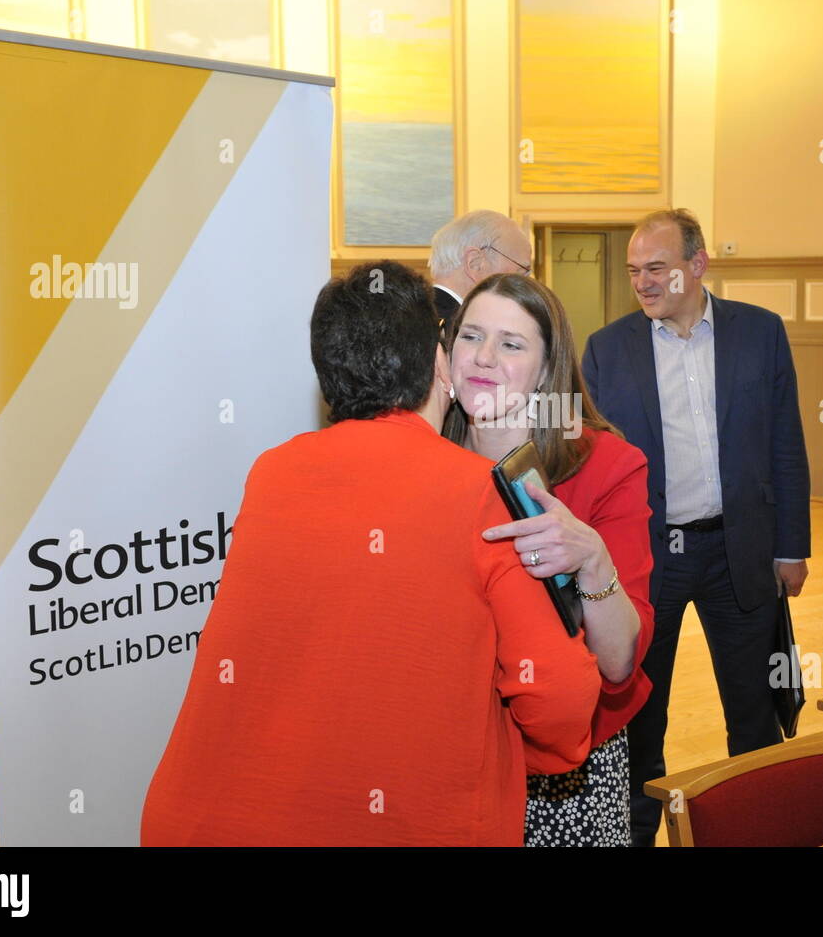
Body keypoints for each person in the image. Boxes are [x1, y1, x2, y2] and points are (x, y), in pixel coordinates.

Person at [140, 261, 600, 847]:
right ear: (437, 363)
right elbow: (558, 699)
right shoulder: (481, 491)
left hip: (206, 816)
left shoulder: (273, 472)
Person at [581, 208, 811, 848]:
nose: (643, 283)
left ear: (698, 264)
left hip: (741, 554)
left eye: (656, 268)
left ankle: (758, 830)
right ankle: (634, 838)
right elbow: (593, 467)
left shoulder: (760, 334)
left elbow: (785, 445)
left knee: (755, 712)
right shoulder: (607, 349)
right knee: (639, 720)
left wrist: (792, 545)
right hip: (649, 561)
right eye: (634, 272)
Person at [443, 272, 655, 847]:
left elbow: (618, 663)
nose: (483, 358)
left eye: (511, 344)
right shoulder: (424, 458)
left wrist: (594, 561)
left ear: (546, 370)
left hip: (564, 770)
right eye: (470, 337)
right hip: (449, 752)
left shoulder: (608, 466)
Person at [428, 210, 534, 326]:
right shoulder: (454, 331)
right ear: (475, 264)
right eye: (522, 272)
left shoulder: (420, 316)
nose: (528, 284)